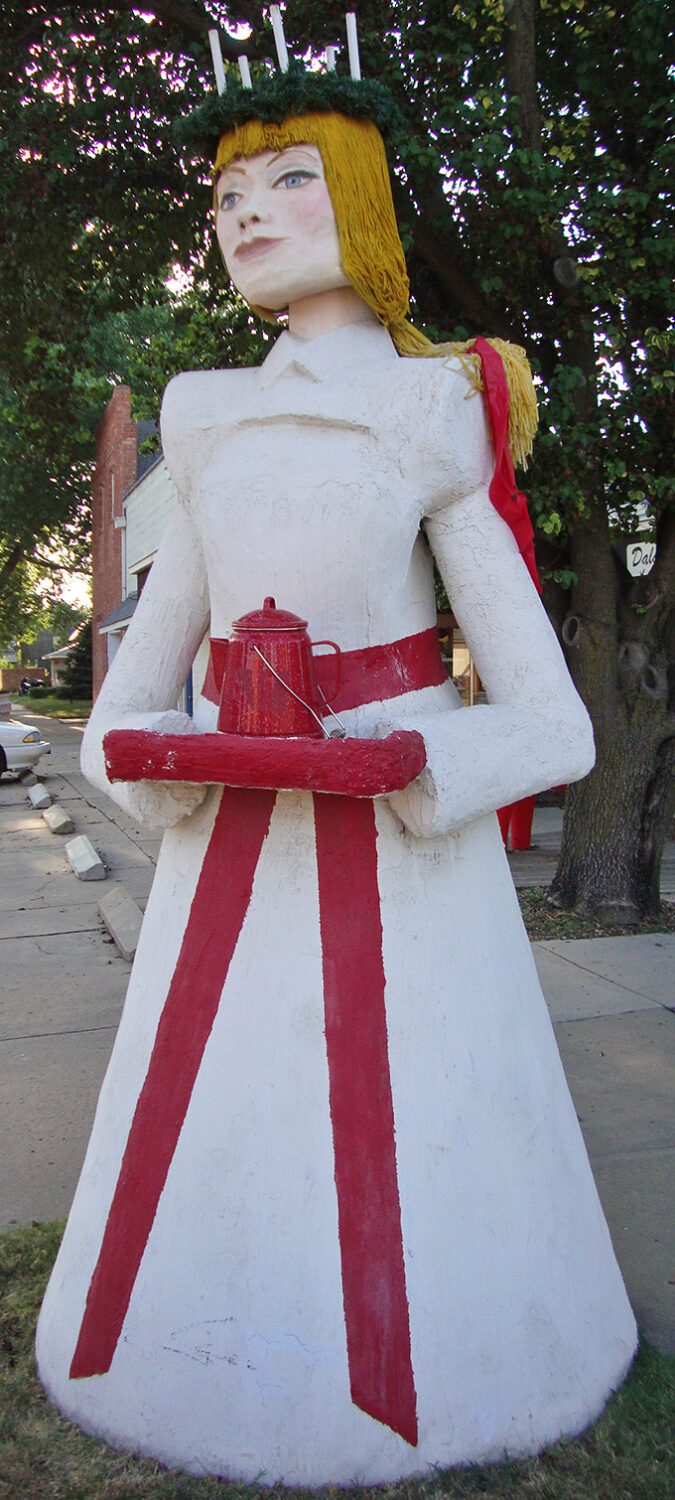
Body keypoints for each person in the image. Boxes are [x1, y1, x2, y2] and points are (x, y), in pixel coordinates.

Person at [36, 53, 636, 1486]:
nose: (248, 213)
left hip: (403, 871)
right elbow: (128, 696)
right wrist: (162, 763)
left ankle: (460, 1377)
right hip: (219, 850)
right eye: (230, 193)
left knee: (409, 1152)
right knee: (201, 1129)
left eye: (289, 179)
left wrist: (412, 752)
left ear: (361, 201)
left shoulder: (437, 411)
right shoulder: (201, 411)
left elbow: (557, 724)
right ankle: (160, 1359)